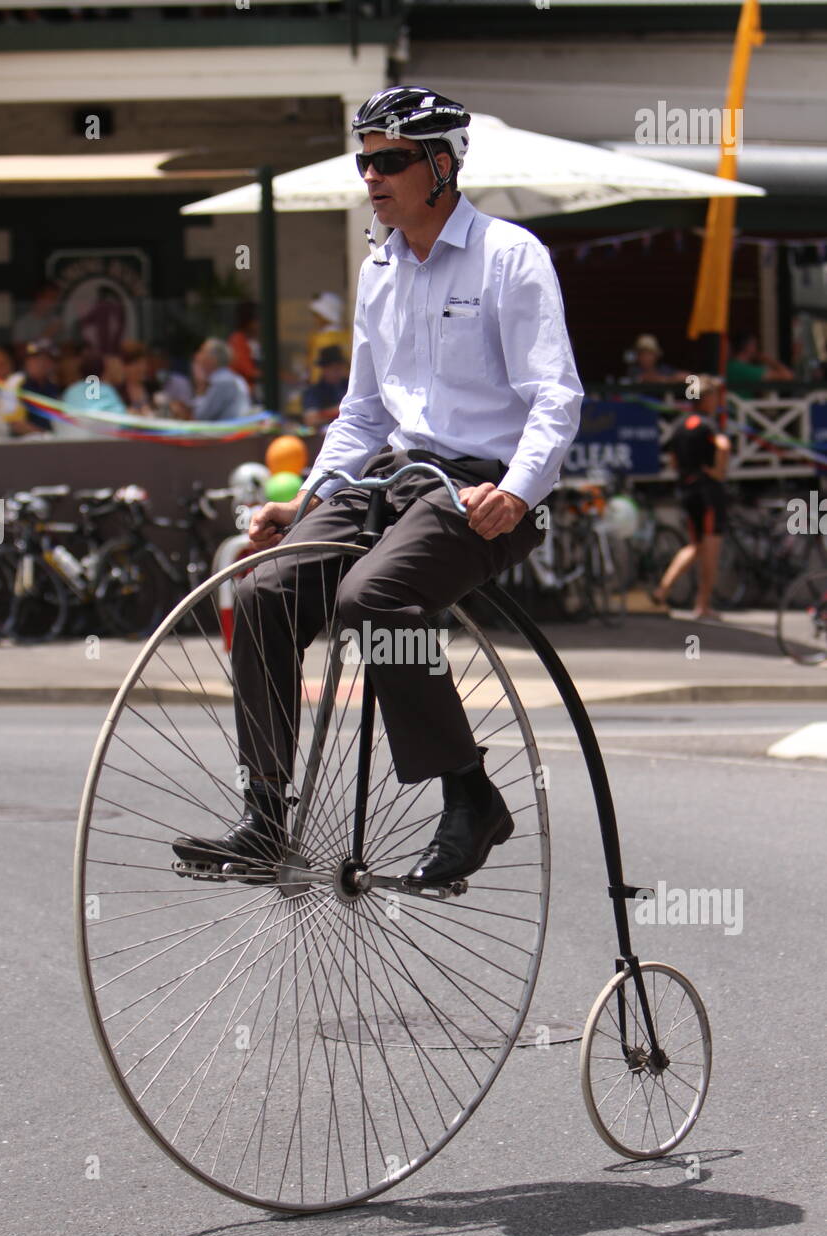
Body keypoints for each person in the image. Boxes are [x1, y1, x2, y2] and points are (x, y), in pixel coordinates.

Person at [173, 86, 583, 888]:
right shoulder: (380, 270)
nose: (371, 175)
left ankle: (470, 797)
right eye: (364, 160)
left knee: (372, 598)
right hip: (396, 480)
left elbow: (556, 397)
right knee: (263, 591)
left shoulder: (509, 256)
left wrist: (520, 490)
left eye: (389, 159)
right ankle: (264, 812)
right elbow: (361, 414)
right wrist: (311, 499)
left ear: (441, 164)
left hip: (480, 491)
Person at [651, 375, 731, 621]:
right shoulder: (708, 425)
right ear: (706, 399)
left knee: (695, 545)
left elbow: (673, 460)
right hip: (708, 490)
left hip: (687, 489)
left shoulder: (680, 426)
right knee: (710, 548)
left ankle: (662, 589)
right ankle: (703, 604)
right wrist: (718, 472)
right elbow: (724, 445)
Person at [170, 338, 252, 421]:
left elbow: (200, 417)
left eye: (202, 352)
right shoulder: (229, 378)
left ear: (212, 359)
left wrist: (200, 384)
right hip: (229, 430)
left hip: (226, 432)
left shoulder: (222, 382)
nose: (197, 356)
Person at [726, 332, 794, 399]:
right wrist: (767, 359)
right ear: (748, 347)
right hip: (738, 409)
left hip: (738, 407)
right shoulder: (742, 369)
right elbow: (787, 376)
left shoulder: (729, 366)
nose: (757, 349)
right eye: (755, 345)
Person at [15, 340, 63, 434]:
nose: (42, 364)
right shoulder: (16, 383)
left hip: (49, 442)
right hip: (20, 443)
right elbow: (16, 425)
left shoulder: (52, 387)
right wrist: (47, 435)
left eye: (47, 360)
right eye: (36, 359)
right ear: (26, 361)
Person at [306, 292, 351, 384]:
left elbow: (317, 372)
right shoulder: (348, 335)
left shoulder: (322, 338)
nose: (315, 319)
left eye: (317, 315)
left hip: (324, 390)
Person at [302, 344, 350, 428]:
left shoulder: (349, 387)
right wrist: (340, 410)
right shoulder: (314, 392)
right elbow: (310, 419)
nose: (337, 372)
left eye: (339, 368)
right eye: (333, 369)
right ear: (324, 369)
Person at [13, 284, 64, 359]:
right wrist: (46, 335)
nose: (54, 302)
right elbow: (23, 352)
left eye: (56, 299)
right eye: (51, 298)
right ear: (39, 297)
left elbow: (66, 351)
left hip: (55, 365)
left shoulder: (57, 321)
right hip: (32, 366)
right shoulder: (23, 323)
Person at [228, 301, 263, 400]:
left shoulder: (255, 340)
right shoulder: (237, 340)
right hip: (245, 395)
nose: (259, 324)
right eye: (256, 320)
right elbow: (249, 372)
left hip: (255, 392)